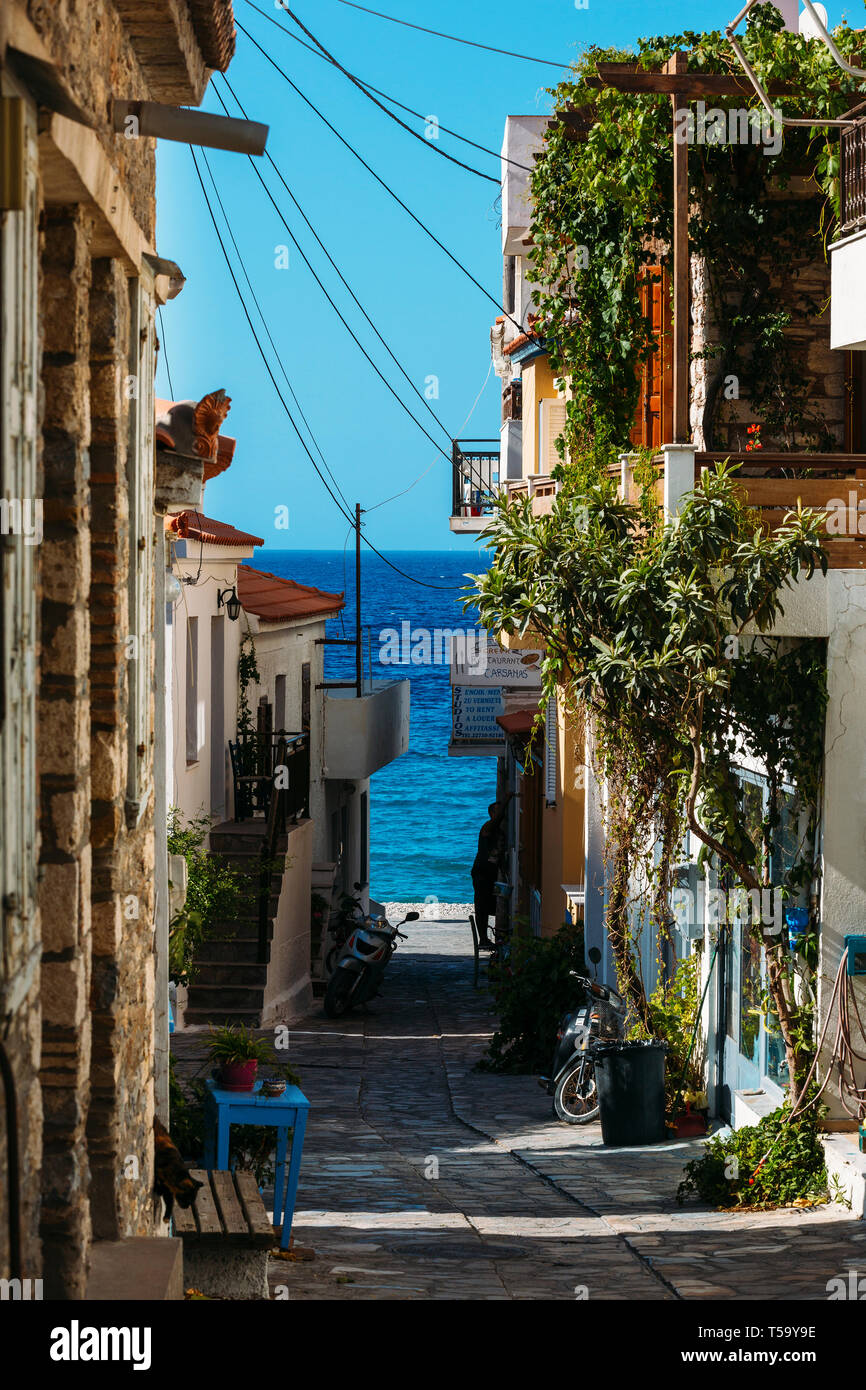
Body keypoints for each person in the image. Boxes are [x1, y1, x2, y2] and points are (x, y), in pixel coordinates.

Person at [471, 798, 509, 950]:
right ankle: (483, 939)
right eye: (498, 810)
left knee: (492, 905)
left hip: (492, 872)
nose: (502, 813)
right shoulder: (487, 826)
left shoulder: (498, 830)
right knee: (482, 906)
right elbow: (498, 818)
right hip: (482, 872)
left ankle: (496, 937)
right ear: (492, 813)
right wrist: (508, 798)